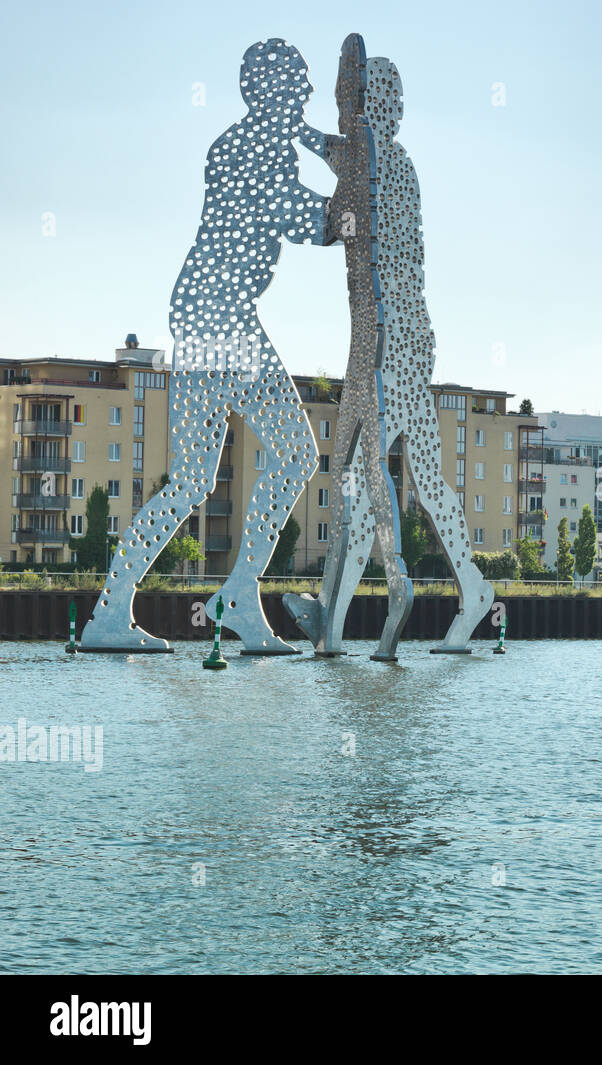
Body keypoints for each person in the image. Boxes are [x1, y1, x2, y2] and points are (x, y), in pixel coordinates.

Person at [80, 39, 329, 654]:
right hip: (221, 322)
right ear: (269, 92)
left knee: (192, 481)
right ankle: (239, 596)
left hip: (201, 316)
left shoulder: (244, 143)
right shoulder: (256, 149)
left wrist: (324, 146)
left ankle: (110, 613)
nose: (303, 97)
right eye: (295, 87)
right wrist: (355, 177)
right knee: (297, 454)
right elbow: (318, 225)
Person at [286, 40, 494, 657]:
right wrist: (298, 133)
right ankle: (470, 591)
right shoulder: (381, 163)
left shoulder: (386, 168)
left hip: (388, 345)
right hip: (391, 341)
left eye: (355, 100)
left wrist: (285, 164)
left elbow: (333, 222)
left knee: (362, 475)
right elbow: (340, 159)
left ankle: (350, 612)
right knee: (421, 479)